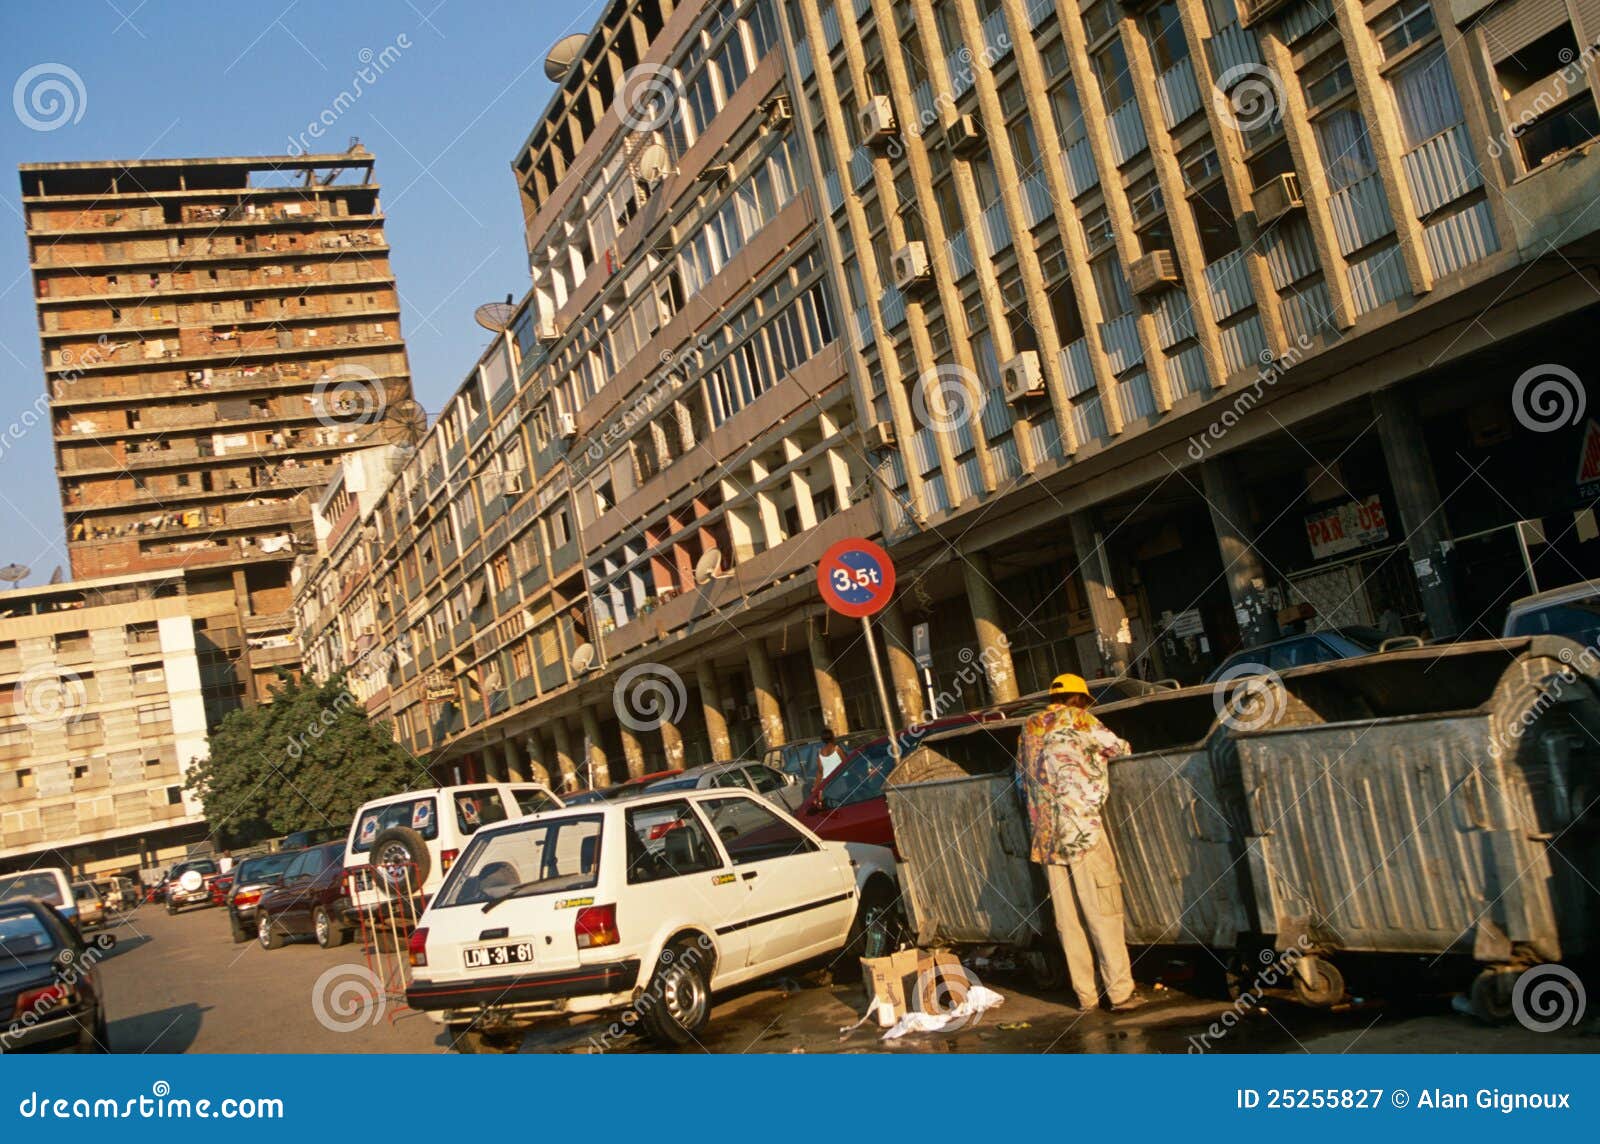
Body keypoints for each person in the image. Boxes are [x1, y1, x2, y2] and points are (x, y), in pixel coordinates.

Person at [1016, 672, 1144, 1012]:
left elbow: (1019, 779)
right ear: (1080, 699)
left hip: (1045, 839)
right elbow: (1120, 748)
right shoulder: (1081, 720)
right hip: (1082, 832)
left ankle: (1086, 996)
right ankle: (1120, 994)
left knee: (1068, 922)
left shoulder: (1028, 728)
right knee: (1102, 911)